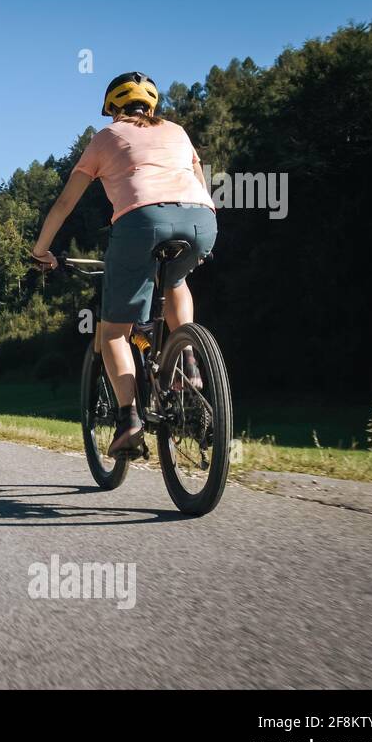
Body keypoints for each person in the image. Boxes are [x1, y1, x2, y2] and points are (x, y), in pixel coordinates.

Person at [31, 71, 217, 457]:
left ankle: (129, 420)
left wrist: (41, 251)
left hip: (141, 222)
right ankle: (187, 358)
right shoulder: (177, 131)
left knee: (114, 331)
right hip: (202, 220)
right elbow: (200, 184)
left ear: (113, 109)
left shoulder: (105, 138)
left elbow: (66, 203)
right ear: (151, 107)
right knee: (175, 281)